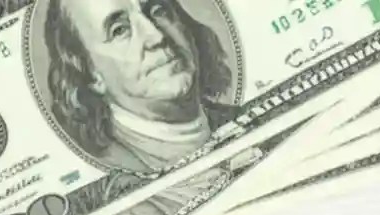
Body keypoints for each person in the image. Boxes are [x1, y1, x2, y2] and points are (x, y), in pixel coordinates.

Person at [46, 0, 238, 173]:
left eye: (158, 10)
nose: (156, 36)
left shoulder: (237, 118)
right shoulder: (120, 177)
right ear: (90, 75)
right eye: (119, 30)